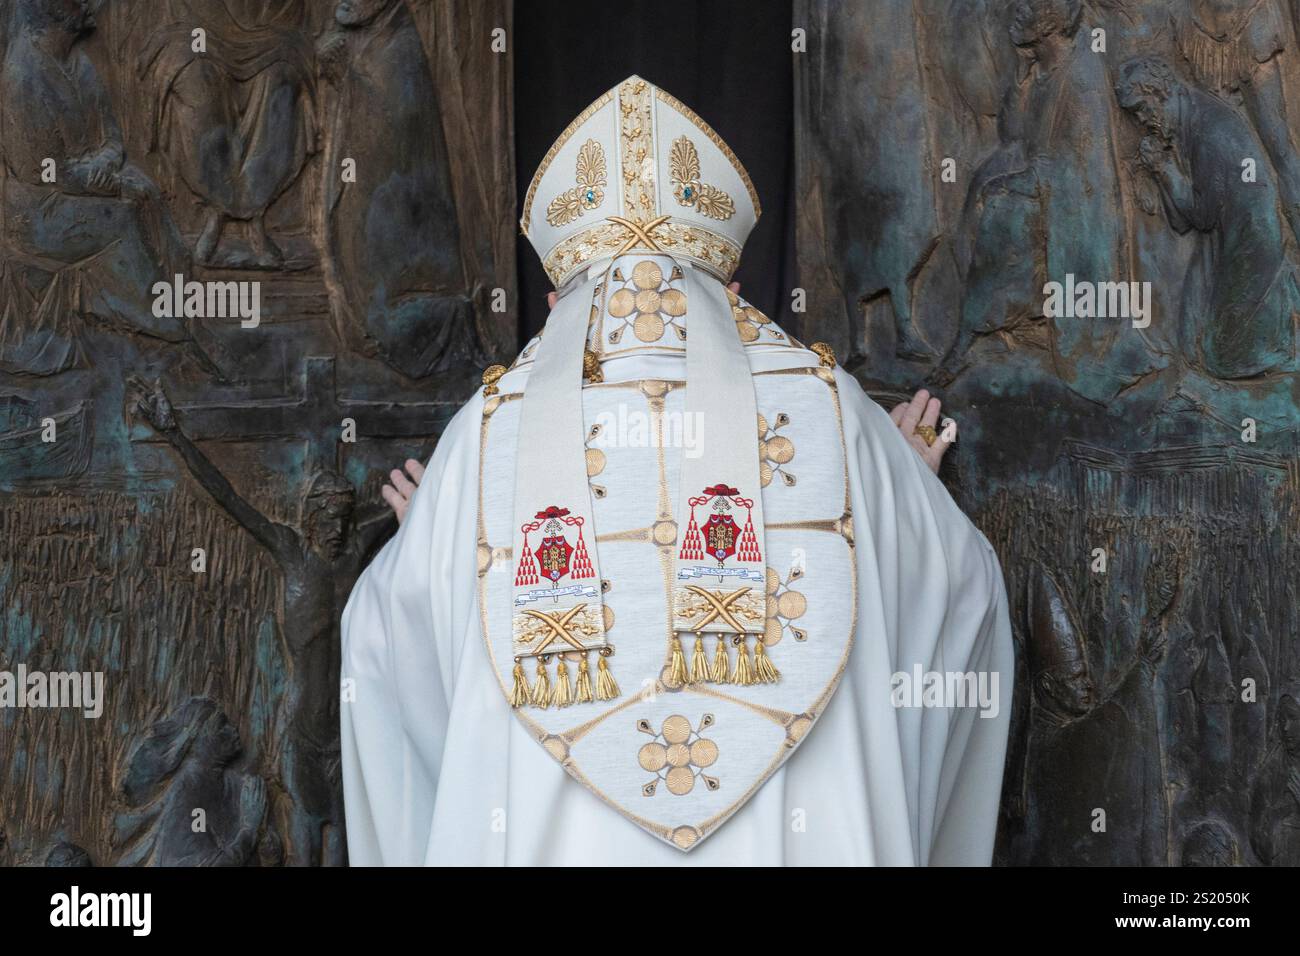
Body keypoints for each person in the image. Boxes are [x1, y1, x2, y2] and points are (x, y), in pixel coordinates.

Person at [341, 76, 1013, 864]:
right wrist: (901, 499)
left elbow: (385, 652)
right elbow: (958, 586)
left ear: (560, 300)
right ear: (727, 289)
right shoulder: (833, 410)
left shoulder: (486, 435)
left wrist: (436, 541)